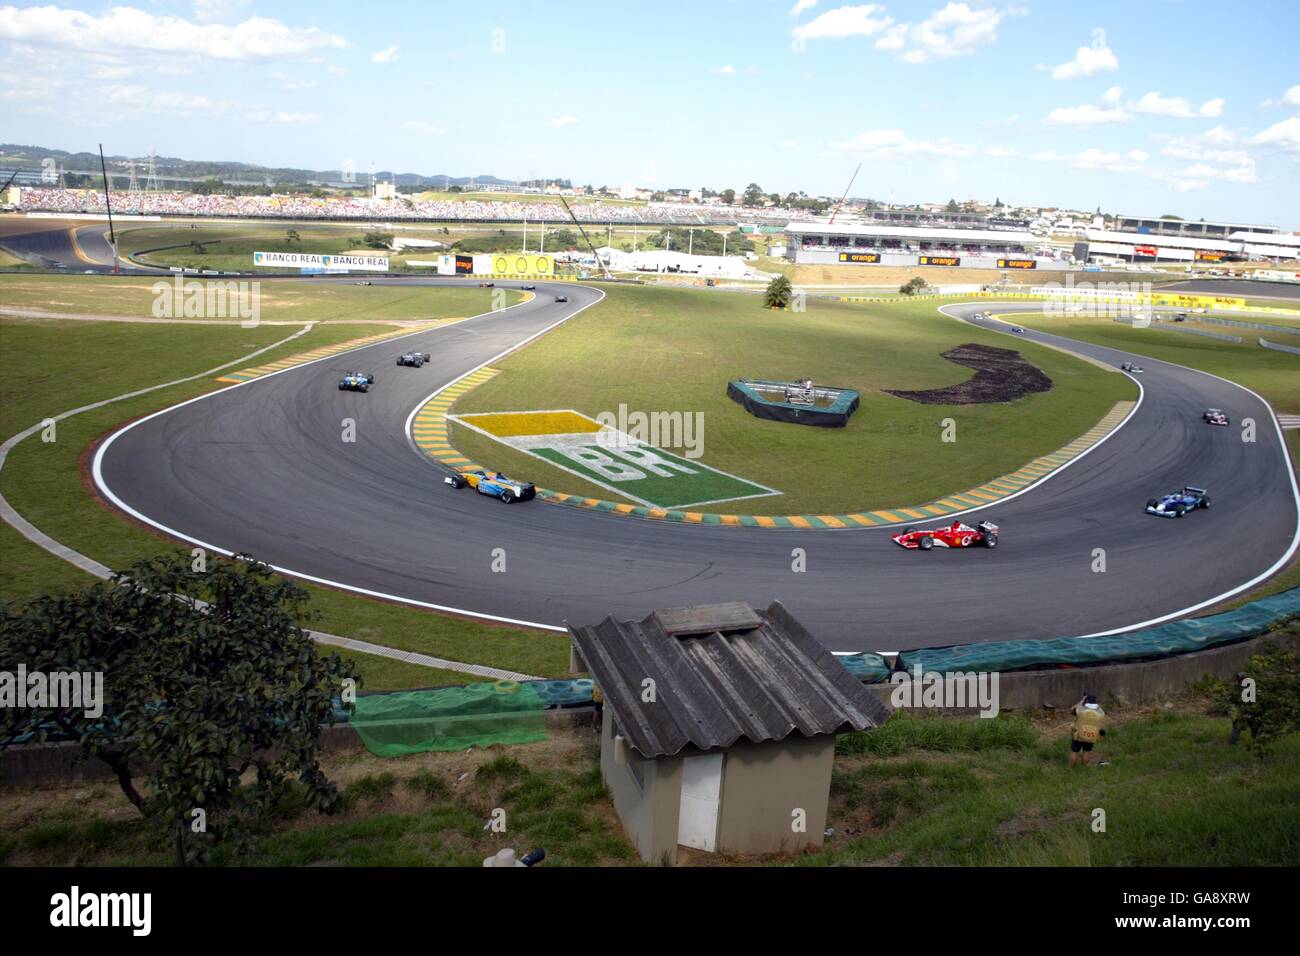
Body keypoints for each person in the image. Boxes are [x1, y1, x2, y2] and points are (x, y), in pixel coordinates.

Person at [1069, 694, 1106, 767]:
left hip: (1079, 734)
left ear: (1086, 701)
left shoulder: (1081, 710)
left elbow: (1071, 710)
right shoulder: (1101, 712)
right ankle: (1085, 767)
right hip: (1092, 735)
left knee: (1074, 751)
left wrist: (1081, 701)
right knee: (1087, 751)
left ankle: (1071, 768)